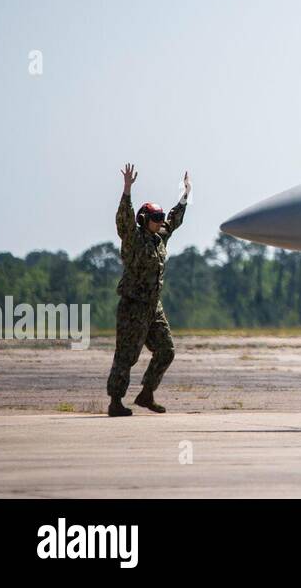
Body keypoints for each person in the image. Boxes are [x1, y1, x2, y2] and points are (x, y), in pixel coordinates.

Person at [106, 163, 189, 417]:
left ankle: (146, 394)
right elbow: (123, 220)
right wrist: (127, 191)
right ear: (144, 219)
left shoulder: (159, 238)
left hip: (153, 307)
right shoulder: (133, 238)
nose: (160, 221)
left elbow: (174, 221)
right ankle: (116, 402)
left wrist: (185, 196)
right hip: (133, 305)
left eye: (160, 217)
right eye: (155, 218)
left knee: (166, 351)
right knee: (126, 356)